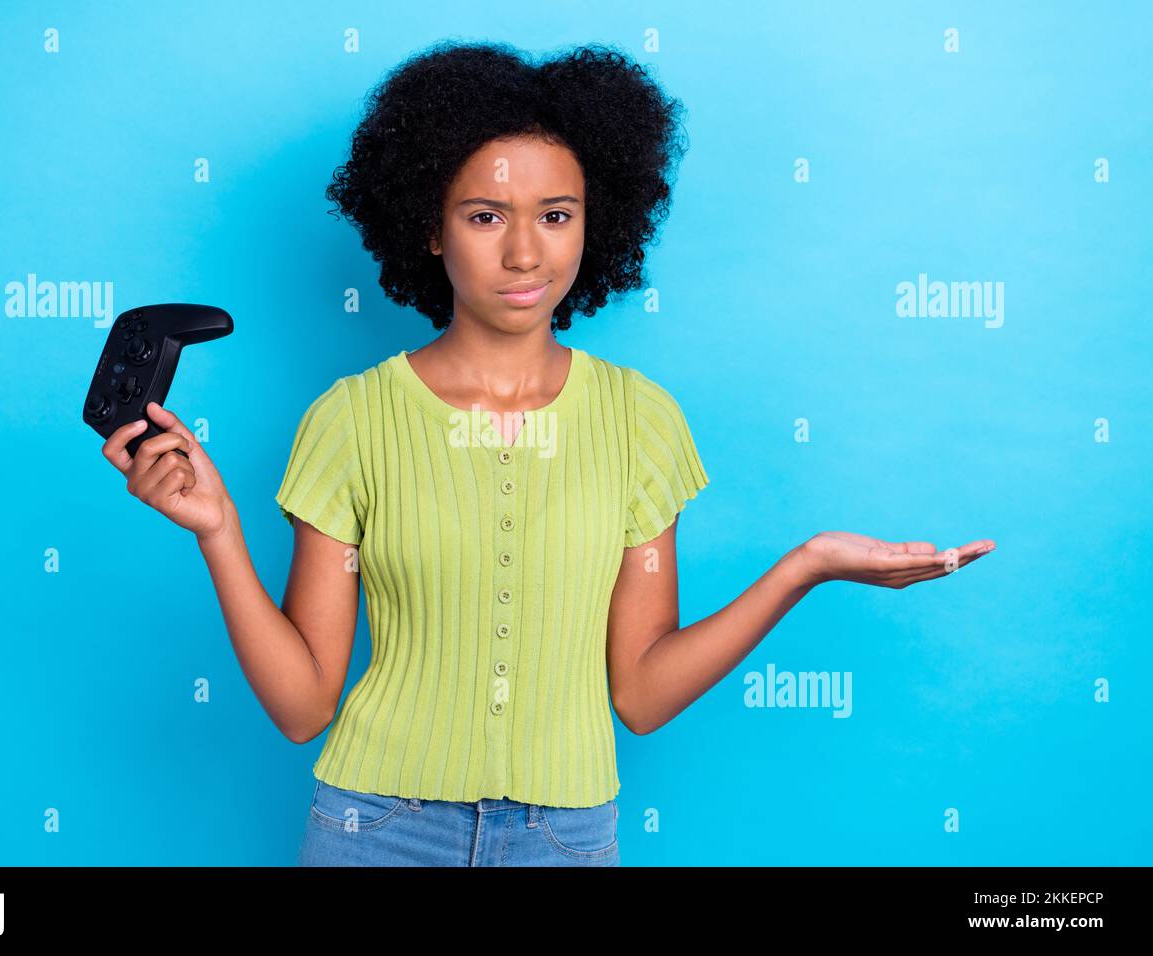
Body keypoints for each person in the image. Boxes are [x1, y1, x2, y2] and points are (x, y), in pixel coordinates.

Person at [100, 41, 995, 867]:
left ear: (591, 223)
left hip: (566, 840)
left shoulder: (642, 422)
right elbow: (303, 709)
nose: (525, 251)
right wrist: (217, 533)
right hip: (372, 830)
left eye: (555, 214)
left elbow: (641, 694)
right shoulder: (351, 421)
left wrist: (808, 566)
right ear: (429, 226)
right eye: (486, 215)